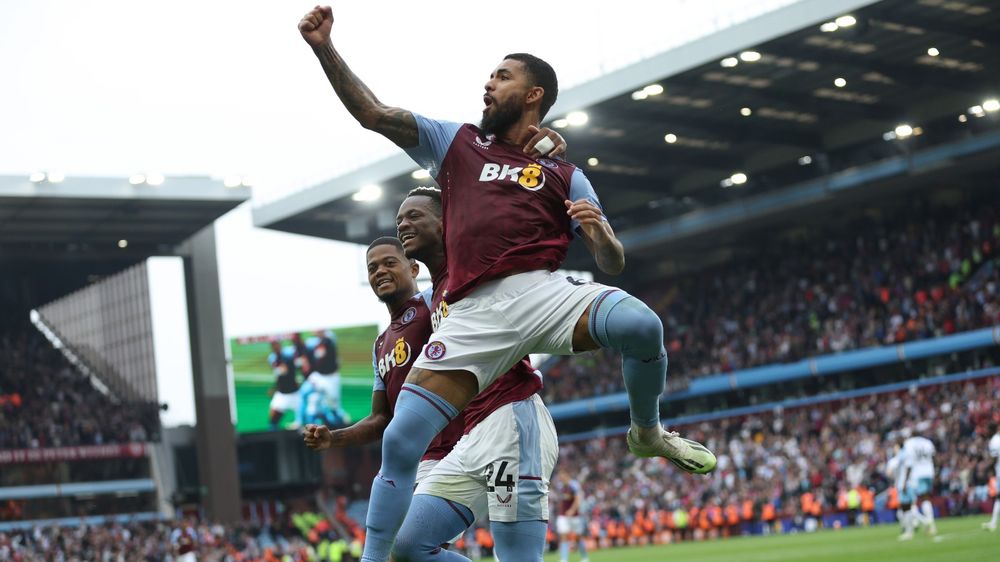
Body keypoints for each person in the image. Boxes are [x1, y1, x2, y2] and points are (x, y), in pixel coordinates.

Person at [298, 7, 715, 560]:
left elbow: (611, 261)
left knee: (643, 324)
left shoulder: (563, 173)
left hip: (539, 292)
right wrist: (325, 48)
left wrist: (598, 235)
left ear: (533, 93)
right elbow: (374, 113)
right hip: (475, 315)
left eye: (501, 76)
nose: (487, 84)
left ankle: (647, 431)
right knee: (401, 441)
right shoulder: (458, 145)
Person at [391, 188, 560, 562]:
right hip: (471, 436)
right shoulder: (436, 292)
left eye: (415, 215)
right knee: (408, 547)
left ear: (445, 221)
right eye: (399, 219)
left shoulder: (474, 264)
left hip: (511, 420)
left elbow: (503, 214)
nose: (403, 223)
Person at [554, 470, 589, 562]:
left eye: (562, 475)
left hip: (574, 516)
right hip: (563, 515)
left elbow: (577, 499)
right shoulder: (560, 486)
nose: (561, 477)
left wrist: (572, 510)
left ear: (567, 475)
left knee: (578, 537)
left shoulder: (574, 485)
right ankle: (564, 559)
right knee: (563, 536)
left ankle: (585, 557)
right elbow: (563, 499)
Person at [268, 339, 302, 430]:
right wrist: (274, 388)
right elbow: (279, 377)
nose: (275, 347)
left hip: (295, 394)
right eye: (273, 345)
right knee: (272, 421)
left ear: (280, 344)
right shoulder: (272, 358)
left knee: (306, 423)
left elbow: (286, 370)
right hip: (282, 394)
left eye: (276, 344)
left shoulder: (288, 355)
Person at [983, 423, 999, 531]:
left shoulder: (994, 441)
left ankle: (993, 523)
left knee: (998, 497)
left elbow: (994, 458)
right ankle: (993, 522)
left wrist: (987, 468)